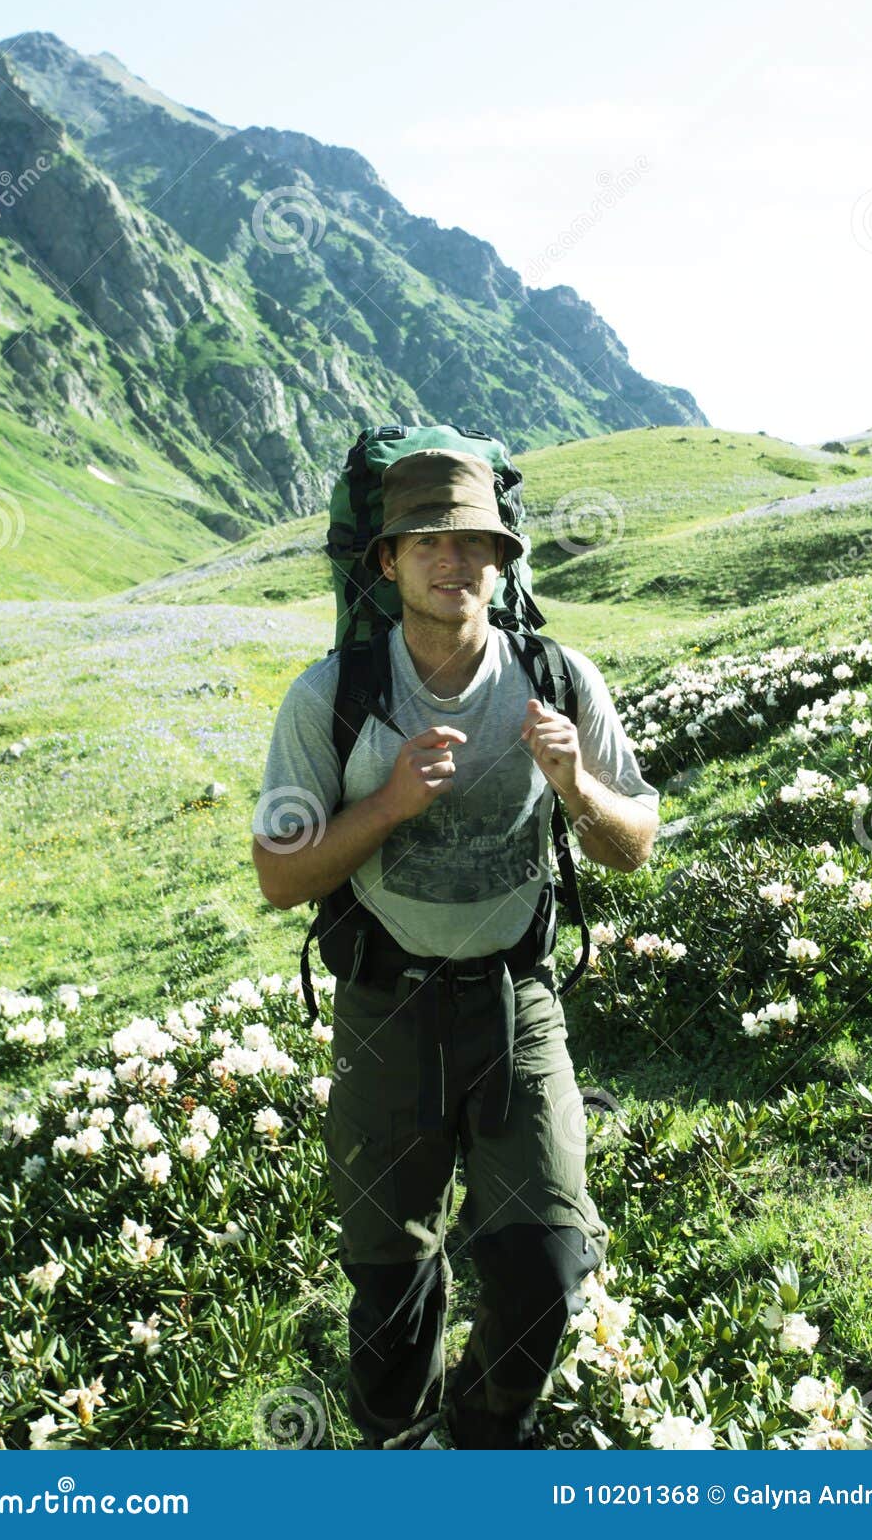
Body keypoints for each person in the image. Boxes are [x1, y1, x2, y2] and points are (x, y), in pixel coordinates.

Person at [252, 449, 660, 1449]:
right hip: (383, 1007)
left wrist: (575, 788)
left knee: (549, 1260)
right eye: (427, 541)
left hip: (516, 1001)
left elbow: (633, 845)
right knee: (389, 1282)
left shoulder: (557, 680)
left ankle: (473, 1441)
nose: (453, 560)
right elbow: (279, 875)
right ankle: (399, 1446)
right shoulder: (331, 695)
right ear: (386, 562)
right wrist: (388, 803)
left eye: (474, 540)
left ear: (500, 559)